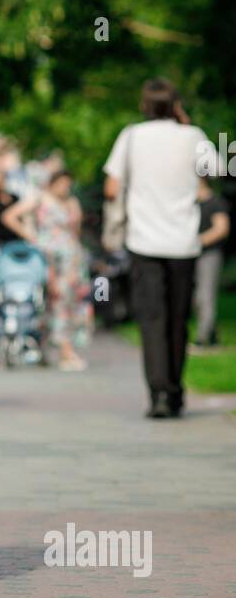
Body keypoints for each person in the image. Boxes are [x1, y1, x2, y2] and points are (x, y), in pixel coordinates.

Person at [103, 78, 219, 418]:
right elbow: (216, 170)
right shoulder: (194, 137)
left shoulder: (132, 136)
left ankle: (159, 395)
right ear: (176, 105)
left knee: (152, 320)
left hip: (144, 241)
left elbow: (111, 187)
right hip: (183, 242)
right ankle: (176, 389)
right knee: (178, 319)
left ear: (144, 106)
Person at [1, 168, 92, 370]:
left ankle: (46, 348)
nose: (66, 188)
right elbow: (9, 216)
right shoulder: (40, 199)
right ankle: (65, 352)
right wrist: (32, 237)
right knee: (58, 301)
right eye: (62, 183)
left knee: (72, 303)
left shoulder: (72, 202)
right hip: (51, 259)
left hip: (73, 260)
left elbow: (75, 233)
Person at [192, 178, 230, 349]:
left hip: (210, 255)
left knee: (205, 296)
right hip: (192, 255)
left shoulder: (215, 202)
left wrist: (199, 241)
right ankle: (212, 334)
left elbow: (222, 228)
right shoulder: (191, 204)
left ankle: (202, 339)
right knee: (196, 298)